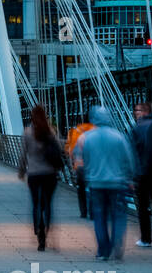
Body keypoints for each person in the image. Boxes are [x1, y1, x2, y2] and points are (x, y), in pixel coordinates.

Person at [74, 104, 137, 261]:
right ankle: (117, 243)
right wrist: (129, 178)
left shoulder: (88, 138)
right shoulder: (119, 137)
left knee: (99, 217)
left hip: (96, 183)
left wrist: (88, 174)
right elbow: (128, 160)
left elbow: (82, 159)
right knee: (118, 215)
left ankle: (103, 250)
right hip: (117, 183)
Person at [17, 106, 62, 250]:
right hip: (50, 174)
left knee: (36, 204)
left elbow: (24, 154)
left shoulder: (27, 132)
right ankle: (48, 230)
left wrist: (22, 170)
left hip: (34, 174)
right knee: (48, 204)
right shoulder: (51, 131)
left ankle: (40, 235)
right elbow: (59, 151)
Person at [130, 101, 152, 248]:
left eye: (138, 111)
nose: (135, 113)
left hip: (142, 174)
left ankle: (145, 238)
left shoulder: (137, 129)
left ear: (145, 112)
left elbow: (132, 153)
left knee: (143, 208)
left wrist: (132, 174)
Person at [65, 114, 94, 218]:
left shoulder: (75, 131)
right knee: (92, 188)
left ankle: (83, 212)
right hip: (93, 167)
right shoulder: (96, 131)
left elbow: (69, 150)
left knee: (81, 189)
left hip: (79, 166)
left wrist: (73, 163)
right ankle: (92, 211)